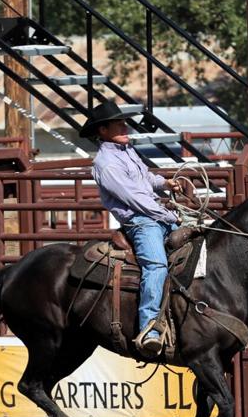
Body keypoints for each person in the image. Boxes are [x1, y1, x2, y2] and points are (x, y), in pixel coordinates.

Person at [81, 101, 191, 352]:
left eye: (123, 122)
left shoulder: (126, 151)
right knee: (156, 265)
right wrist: (169, 215)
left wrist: (165, 184)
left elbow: (145, 179)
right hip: (141, 222)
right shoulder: (106, 163)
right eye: (118, 123)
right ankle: (149, 329)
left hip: (155, 215)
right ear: (103, 131)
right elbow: (135, 198)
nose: (124, 126)